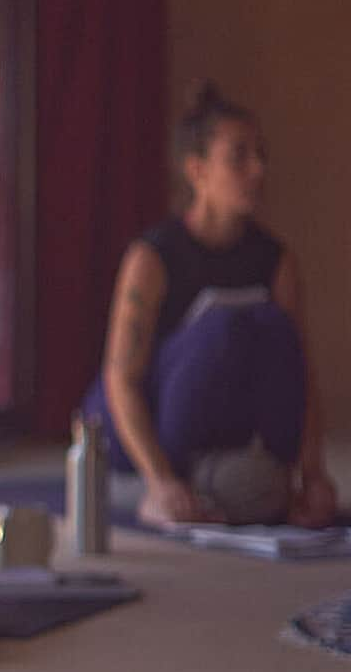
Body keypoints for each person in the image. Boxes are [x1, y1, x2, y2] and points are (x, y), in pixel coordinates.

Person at [81, 82, 338, 529]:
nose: (257, 169)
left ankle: (226, 481)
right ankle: (159, 486)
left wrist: (312, 475)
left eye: (261, 154)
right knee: (220, 328)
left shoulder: (275, 260)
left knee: (272, 328)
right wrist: (161, 483)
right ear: (197, 170)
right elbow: (120, 377)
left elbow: (301, 371)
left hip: (216, 425)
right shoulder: (153, 257)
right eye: (239, 156)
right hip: (143, 426)